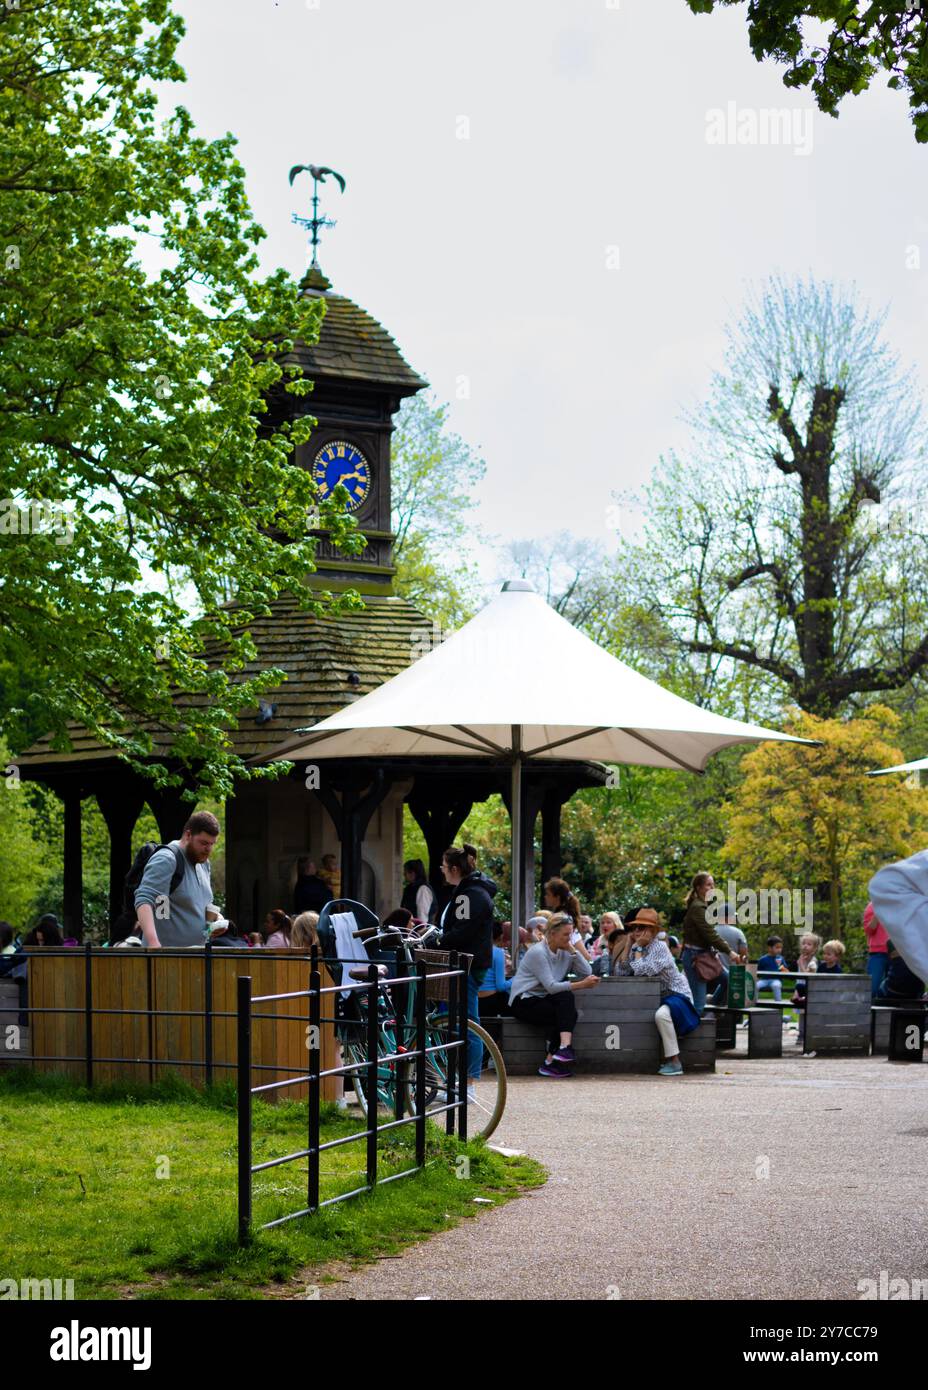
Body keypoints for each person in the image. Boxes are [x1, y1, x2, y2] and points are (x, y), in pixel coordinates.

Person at [507, 912, 599, 1077]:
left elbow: (587, 970)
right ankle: (553, 1060)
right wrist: (581, 985)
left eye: (570, 934)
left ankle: (561, 1051)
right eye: (565, 934)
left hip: (543, 998)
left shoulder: (565, 950)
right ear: (552, 934)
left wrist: (572, 949)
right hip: (523, 1001)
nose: (569, 938)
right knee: (565, 1012)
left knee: (567, 1004)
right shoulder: (538, 952)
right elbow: (551, 986)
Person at [438, 845, 495, 1100]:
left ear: (454, 869)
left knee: (467, 1023)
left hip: (465, 964)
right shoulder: (473, 891)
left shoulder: (467, 895)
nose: (441, 870)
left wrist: (439, 941)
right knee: (462, 1022)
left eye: (443, 865)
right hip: (470, 963)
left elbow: (462, 931)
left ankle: (468, 1085)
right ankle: (460, 1082)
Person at [613, 907, 699, 1076]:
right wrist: (629, 945)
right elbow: (621, 971)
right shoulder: (637, 946)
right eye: (634, 927)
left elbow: (642, 972)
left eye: (642, 927)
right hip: (654, 998)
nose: (637, 931)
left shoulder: (659, 947)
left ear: (652, 930)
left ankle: (675, 1062)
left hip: (677, 996)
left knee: (661, 1015)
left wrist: (636, 949)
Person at [134, 811, 222, 949]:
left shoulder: (204, 863)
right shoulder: (167, 859)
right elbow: (144, 900)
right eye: (204, 843)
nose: (208, 849)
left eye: (212, 844)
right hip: (167, 959)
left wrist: (218, 920)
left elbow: (202, 905)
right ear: (188, 835)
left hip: (196, 958)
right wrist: (153, 944)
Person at [681, 872, 737, 1016]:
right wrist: (730, 952)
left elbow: (709, 935)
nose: (712, 888)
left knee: (730, 981)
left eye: (713, 884)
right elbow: (711, 935)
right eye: (708, 885)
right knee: (699, 1006)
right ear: (699, 887)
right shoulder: (698, 908)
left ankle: (712, 1004)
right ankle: (685, 1033)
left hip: (705, 955)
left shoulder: (705, 906)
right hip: (695, 959)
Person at [543, 877, 591, 961]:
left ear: (557, 897)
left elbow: (585, 955)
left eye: (548, 894)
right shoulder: (563, 916)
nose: (545, 897)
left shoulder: (563, 919)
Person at [477, 922, 512, 1018]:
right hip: (491, 1000)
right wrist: (517, 978)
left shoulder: (475, 949)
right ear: (500, 936)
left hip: (474, 999)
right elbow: (500, 986)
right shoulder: (498, 952)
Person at [862, 902, 890, 998]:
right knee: (872, 989)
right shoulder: (871, 906)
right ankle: (869, 1012)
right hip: (877, 953)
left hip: (897, 953)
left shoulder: (898, 902)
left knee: (891, 991)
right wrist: (877, 914)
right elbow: (869, 931)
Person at [756, 935, 789, 1002]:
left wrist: (782, 969)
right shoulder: (762, 959)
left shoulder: (780, 958)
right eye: (777, 947)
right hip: (764, 980)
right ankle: (753, 1003)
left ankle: (778, 1004)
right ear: (770, 948)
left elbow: (786, 971)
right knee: (756, 986)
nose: (779, 949)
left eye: (780, 947)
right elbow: (757, 972)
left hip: (776, 980)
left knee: (776, 986)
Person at [401, 859, 435, 923]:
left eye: (406, 872)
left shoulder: (423, 889)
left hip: (419, 930)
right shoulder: (410, 888)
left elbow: (422, 915)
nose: (404, 874)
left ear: (413, 873)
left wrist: (420, 930)